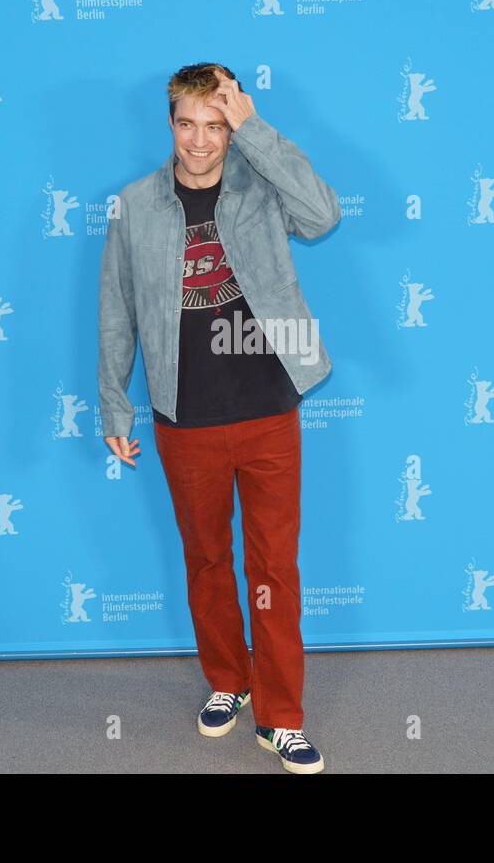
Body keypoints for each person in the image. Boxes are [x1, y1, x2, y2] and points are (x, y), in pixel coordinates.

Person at [97, 62, 340, 773]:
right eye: (188, 125)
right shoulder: (134, 206)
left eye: (215, 126)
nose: (201, 142)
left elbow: (324, 216)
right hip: (186, 416)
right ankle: (228, 681)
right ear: (169, 124)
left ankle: (282, 715)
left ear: (230, 125)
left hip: (268, 408)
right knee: (206, 558)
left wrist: (254, 127)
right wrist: (115, 399)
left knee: (274, 565)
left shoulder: (260, 184)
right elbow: (116, 310)